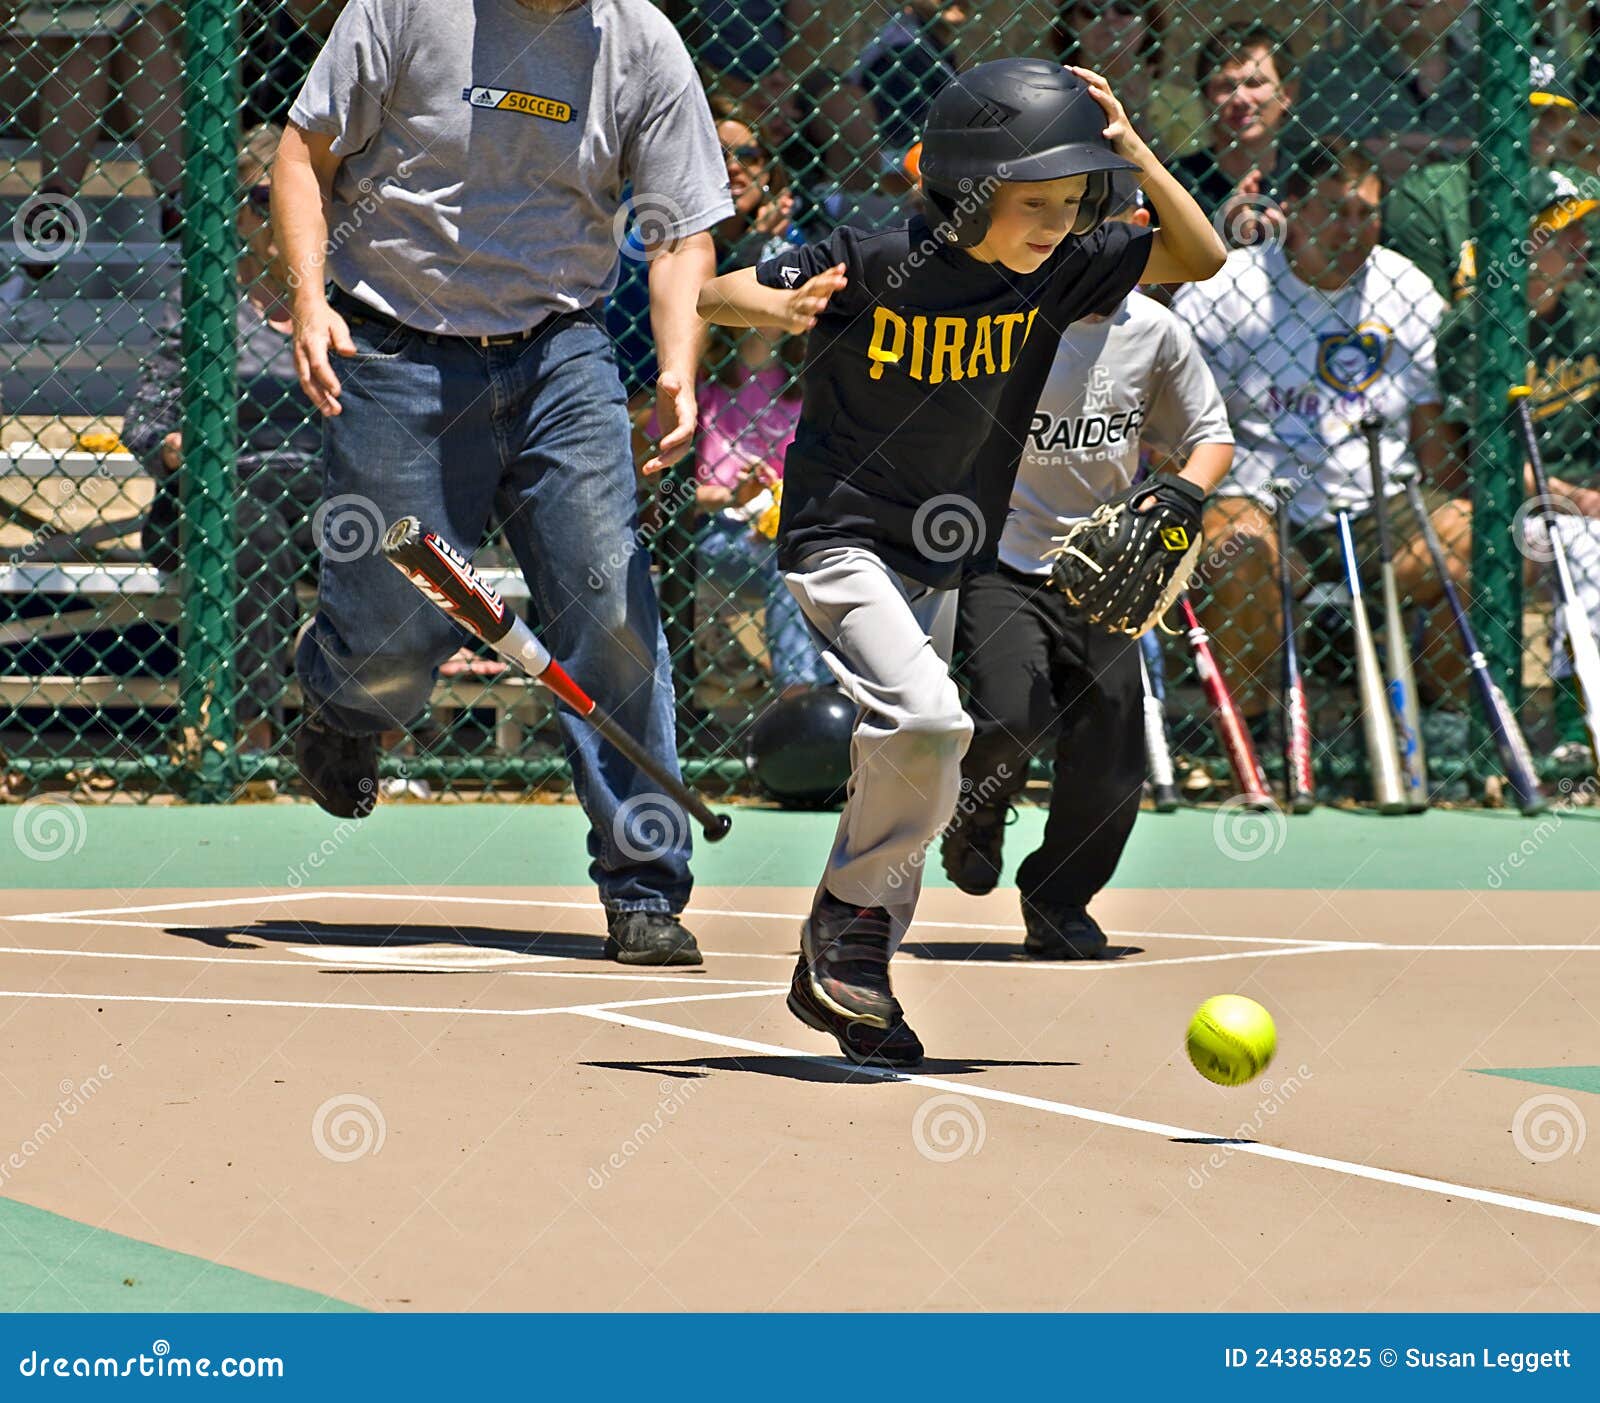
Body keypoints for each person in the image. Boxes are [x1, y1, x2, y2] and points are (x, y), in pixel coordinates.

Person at [697, 58, 1226, 1065]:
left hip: (947, 553)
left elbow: (1195, 258)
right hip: (840, 538)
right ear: (966, 187)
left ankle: (857, 980)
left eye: (1072, 202)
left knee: (922, 770)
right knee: (931, 721)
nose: (1055, 221)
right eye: (1033, 202)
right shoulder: (874, 254)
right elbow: (719, 292)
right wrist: (761, 309)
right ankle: (845, 929)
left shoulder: (1060, 267)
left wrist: (1127, 147)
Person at [276, 0, 732, 967]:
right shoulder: (402, 9)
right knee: (404, 625)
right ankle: (339, 698)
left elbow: (682, 232)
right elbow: (306, 153)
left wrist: (677, 366)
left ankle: (644, 884)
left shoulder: (640, 37)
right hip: (394, 341)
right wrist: (309, 303)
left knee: (607, 602)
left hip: (558, 349)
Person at [940, 174, 1233, 954]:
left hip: (1104, 566)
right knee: (1010, 711)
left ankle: (1059, 897)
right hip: (1000, 556)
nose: (1099, 247)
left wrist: (1179, 492)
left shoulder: (1155, 333)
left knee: (1111, 757)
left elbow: (1212, 436)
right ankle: (976, 805)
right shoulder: (1010, 316)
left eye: (1119, 230)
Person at [1171, 139, 1464, 727]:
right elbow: (1174, 423)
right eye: (1334, 211)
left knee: (1470, 539)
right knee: (1236, 551)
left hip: (1379, 500)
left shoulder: (1404, 288)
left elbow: (1429, 427)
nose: (1351, 230)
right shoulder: (1227, 289)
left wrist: (1448, 495)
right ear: (1294, 212)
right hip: (1258, 495)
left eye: (1366, 214)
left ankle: (1449, 722)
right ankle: (1245, 731)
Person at [122, 123, 319, 778]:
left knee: (385, 522)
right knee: (251, 522)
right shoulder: (208, 305)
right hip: (220, 494)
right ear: (236, 210)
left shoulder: (342, 304)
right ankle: (250, 733)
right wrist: (176, 447)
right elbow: (146, 420)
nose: (285, 213)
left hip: (324, 489)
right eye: (266, 199)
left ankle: (378, 735)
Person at [1436, 167, 1600, 766]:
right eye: (1563, 234)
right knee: (1581, 547)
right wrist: (1568, 495)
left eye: (1581, 231)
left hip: (1588, 500)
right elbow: (1475, 455)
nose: (1581, 245)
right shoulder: (1474, 328)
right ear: (1523, 243)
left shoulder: (1591, 313)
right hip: (1513, 503)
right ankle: (1575, 728)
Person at [2, 2, 184, 304]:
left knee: (142, 22)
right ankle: (53, 210)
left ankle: (178, 203)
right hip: (30, 74)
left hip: (125, 85)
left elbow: (180, 26)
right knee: (88, 33)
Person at [690, 324, 831, 699]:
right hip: (720, 533)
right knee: (790, 562)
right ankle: (801, 694)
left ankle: (823, 691)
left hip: (792, 529)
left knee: (803, 557)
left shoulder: (807, 389)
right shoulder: (705, 388)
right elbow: (670, 490)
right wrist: (733, 496)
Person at [1294, 2, 1572, 182]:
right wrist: (1466, 153)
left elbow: (1515, 165)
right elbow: (1339, 169)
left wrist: (1401, 147)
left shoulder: (1486, 78)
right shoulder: (1333, 71)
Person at [1383, 78, 1587, 302]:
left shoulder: (1585, 193)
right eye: (1521, 112)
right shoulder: (1428, 195)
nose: (1535, 125)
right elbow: (1429, 325)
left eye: (1551, 114)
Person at [1170, 23, 1295, 246]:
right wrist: (1223, 237)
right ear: (1206, 99)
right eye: (1226, 86)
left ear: (1286, 93)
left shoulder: (1310, 177)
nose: (1241, 99)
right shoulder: (1176, 183)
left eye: (1255, 83)